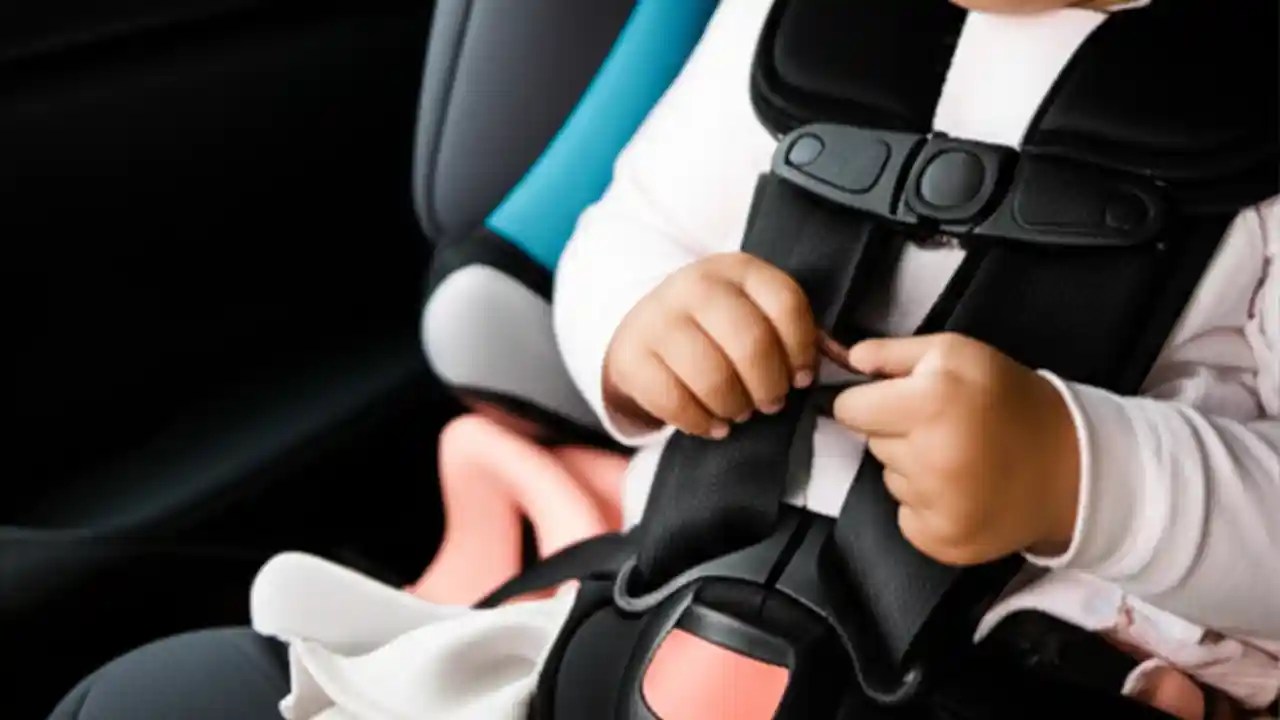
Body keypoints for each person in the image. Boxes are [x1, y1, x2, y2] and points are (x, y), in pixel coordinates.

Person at [50, 0, 1279, 718]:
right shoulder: (790, 27)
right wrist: (644, 328)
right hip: (662, 622)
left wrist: (1086, 477)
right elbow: (625, 236)